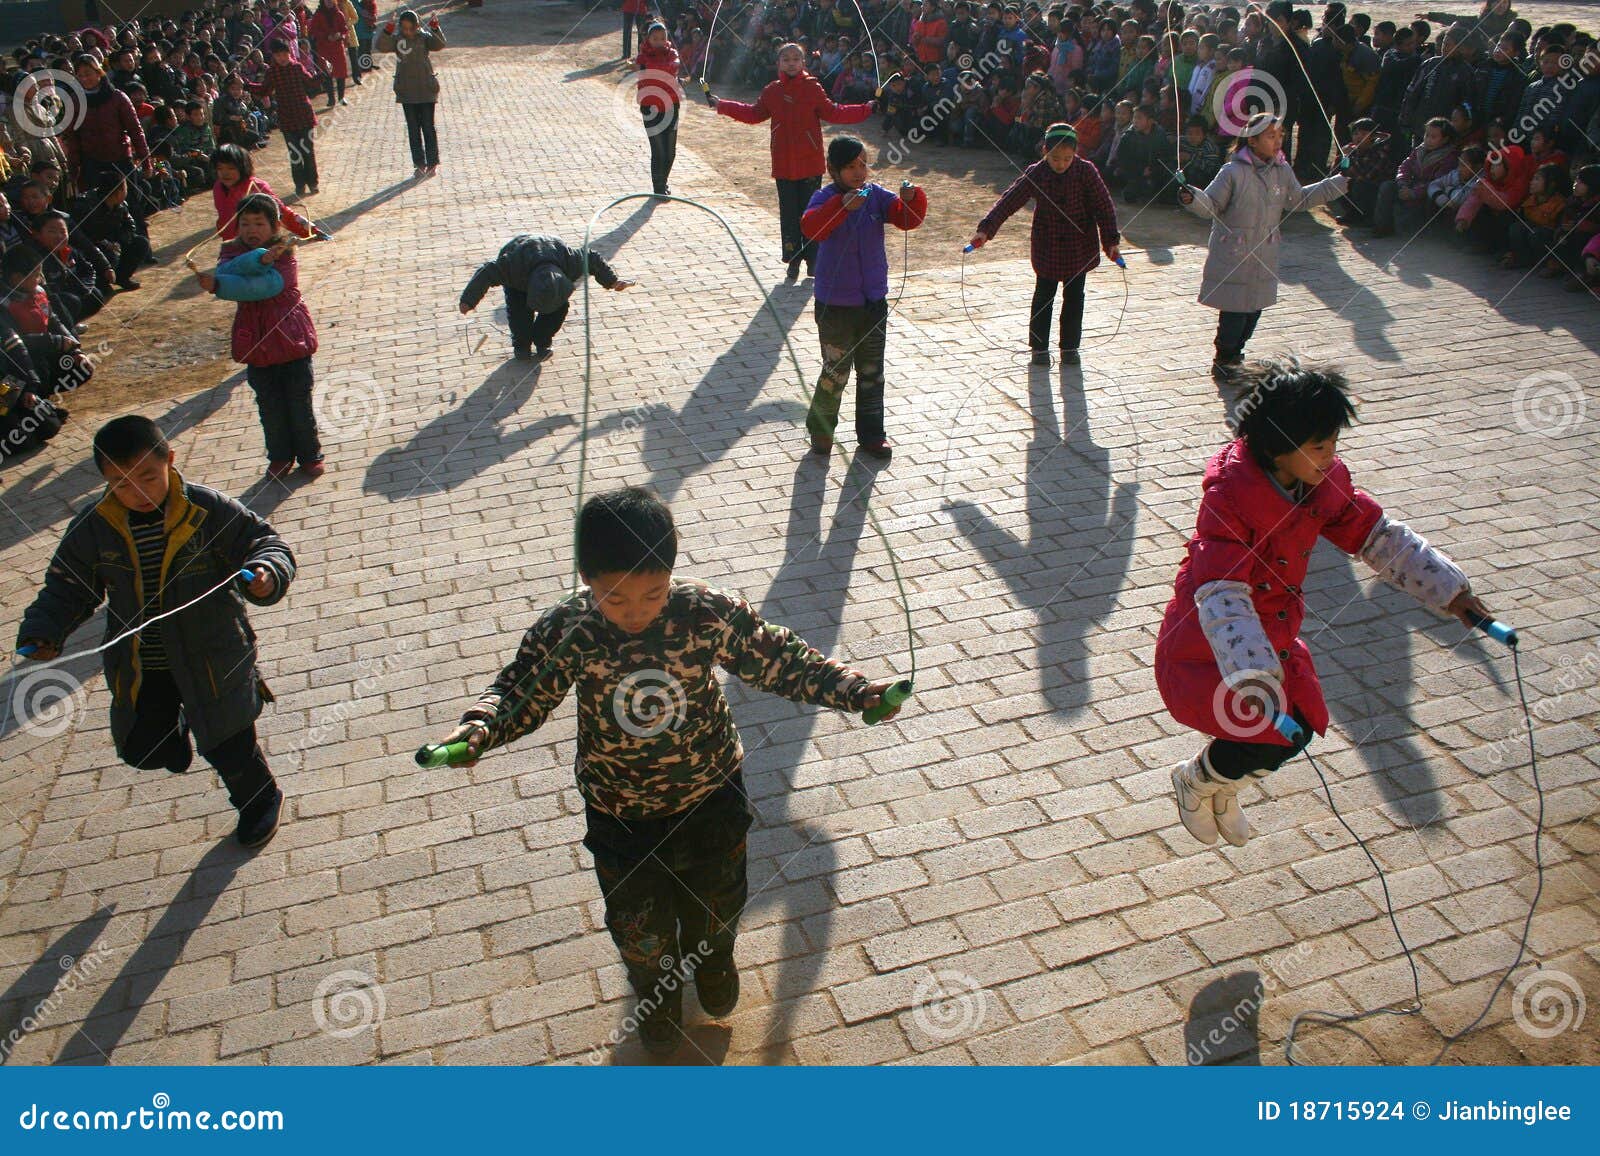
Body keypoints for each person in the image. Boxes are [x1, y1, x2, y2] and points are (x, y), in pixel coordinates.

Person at [428, 487, 903, 1054]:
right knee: (638, 926)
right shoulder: (569, 628)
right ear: (586, 577)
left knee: (717, 903)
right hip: (619, 809)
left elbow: (779, 658)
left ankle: (715, 960)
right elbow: (521, 690)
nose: (636, 611)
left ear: (671, 574)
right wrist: (481, 727)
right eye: (615, 598)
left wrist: (854, 691)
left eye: (652, 594)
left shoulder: (703, 611)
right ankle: (656, 994)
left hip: (710, 794)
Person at [1154, 360, 1492, 848]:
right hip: (1215, 642)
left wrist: (1450, 592)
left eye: (1333, 442)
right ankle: (1199, 781)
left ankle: (1218, 785)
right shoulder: (1230, 499)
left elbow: (1376, 535)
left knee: (1299, 727)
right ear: (1277, 446)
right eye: (1317, 446)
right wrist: (1251, 671)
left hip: (1272, 635)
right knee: (1264, 732)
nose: (1329, 455)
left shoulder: (1321, 484)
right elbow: (1222, 592)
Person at [16, 415, 295, 849]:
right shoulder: (95, 527)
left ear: (170, 460)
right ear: (105, 481)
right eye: (121, 483)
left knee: (228, 742)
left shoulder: (207, 510)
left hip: (213, 655)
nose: (138, 492)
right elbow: (66, 588)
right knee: (141, 746)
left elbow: (266, 543)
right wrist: (44, 631)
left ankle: (260, 801)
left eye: (149, 477)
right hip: (143, 662)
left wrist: (266, 573)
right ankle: (178, 724)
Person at [1178, 112, 1349, 376]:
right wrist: (1193, 197)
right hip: (1234, 253)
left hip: (1264, 252)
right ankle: (1224, 358)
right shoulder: (1232, 172)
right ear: (1252, 140)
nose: (1278, 140)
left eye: (1280, 135)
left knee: (1253, 312)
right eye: (1271, 136)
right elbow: (1211, 205)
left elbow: (1299, 200)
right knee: (1234, 312)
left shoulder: (1282, 171)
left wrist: (1338, 183)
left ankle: (1237, 351)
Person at [799, 136, 927, 460]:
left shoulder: (875, 195)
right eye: (850, 167)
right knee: (835, 371)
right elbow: (812, 229)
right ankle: (821, 429)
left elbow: (906, 218)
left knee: (872, 372)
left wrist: (912, 198)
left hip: (873, 302)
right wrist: (841, 207)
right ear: (833, 170)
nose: (859, 172)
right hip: (835, 306)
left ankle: (872, 435)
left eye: (863, 165)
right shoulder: (823, 197)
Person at [708, 42, 874, 282]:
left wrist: (865, 109)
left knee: (813, 213)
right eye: (786, 59)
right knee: (789, 214)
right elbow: (753, 113)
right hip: (784, 164)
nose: (791, 63)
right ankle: (793, 259)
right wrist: (722, 105)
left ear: (803, 63)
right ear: (778, 63)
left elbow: (834, 112)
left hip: (809, 163)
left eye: (796, 59)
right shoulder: (772, 91)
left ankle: (814, 260)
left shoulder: (812, 88)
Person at [191, 195, 323, 477]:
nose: (251, 230)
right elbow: (227, 270)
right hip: (256, 343)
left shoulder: (285, 251)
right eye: (245, 223)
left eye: (259, 223)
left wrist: (220, 284)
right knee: (268, 405)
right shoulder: (230, 252)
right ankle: (279, 457)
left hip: (291, 340)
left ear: (275, 226)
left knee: (299, 402)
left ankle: (310, 454)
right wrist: (255, 260)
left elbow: (264, 286)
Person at [970, 123, 1120, 367]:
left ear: (1075, 153)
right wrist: (986, 229)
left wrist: (1111, 241)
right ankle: (1039, 348)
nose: (1061, 164)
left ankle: (1070, 347)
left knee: (1074, 298)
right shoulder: (1037, 173)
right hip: (1047, 246)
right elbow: (1010, 200)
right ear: (1045, 152)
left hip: (1078, 248)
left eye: (1067, 159)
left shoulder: (1086, 172)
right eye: (1055, 158)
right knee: (1043, 297)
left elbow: (1104, 207)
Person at [459, 234, 634, 363]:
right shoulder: (511, 266)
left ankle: (542, 342)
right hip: (520, 267)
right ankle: (521, 345)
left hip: (552, 260)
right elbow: (486, 272)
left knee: (558, 310)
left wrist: (613, 282)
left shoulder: (571, 261)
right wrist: (468, 300)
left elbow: (593, 258)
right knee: (519, 313)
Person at [376, 9, 445, 176]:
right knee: (413, 129)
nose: (408, 32)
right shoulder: (397, 40)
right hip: (407, 91)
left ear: (417, 26)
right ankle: (419, 164)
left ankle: (432, 162)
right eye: (404, 28)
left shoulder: (424, 37)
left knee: (428, 127)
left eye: (411, 28)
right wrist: (388, 29)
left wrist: (435, 27)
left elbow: (439, 44)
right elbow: (381, 46)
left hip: (426, 89)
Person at [250, 38, 321, 195]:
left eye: (284, 54)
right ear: (274, 57)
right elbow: (264, 90)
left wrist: (324, 73)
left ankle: (313, 183)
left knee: (308, 152)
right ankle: (299, 185)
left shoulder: (297, 67)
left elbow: (311, 83)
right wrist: (247, 85)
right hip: (287, 118)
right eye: (278, 55)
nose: (282, 58)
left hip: (304, 115)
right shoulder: (272, 72)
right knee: (295, 154)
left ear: (289, 53)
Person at [212, 143, 322, 242]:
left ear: (243, 167)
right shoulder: (218, 187)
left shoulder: (256, 187)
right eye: (220, 168)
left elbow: (283, 213)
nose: (225, 173)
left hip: (260, 245)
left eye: (231, 168)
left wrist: (311, 231)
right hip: (232, 245)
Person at [634, 22, 683, 197]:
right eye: (655, 39)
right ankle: (658, 188)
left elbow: (673, 66)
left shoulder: (672, 54)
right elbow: (656, 70)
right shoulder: (642, 58)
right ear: (648, 39)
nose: (660, 42)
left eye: (663, 38)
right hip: (651, 108)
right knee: (658, 151)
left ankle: (664, 181)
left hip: (671, 106)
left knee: (670, 152)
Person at [308, 0, 353, 108]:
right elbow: (313, 30)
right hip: (324, 48)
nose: (329, 2)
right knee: (327, 73)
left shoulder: (339, 14)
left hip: (337, 48)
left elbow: (344, 30)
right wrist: (326, 36)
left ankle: (341, 97)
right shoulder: (318, 15)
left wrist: (340, 35)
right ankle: (331, 98)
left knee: (341, 73)